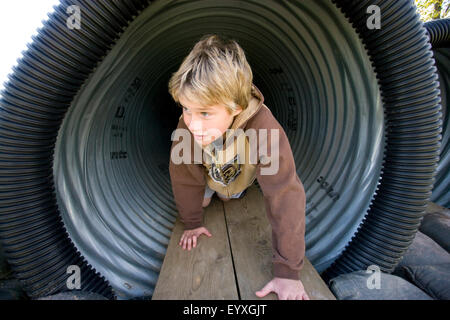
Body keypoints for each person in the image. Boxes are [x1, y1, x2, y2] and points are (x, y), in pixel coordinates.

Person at [168, 34, 309, 300]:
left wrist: (288, 272)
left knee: (230, 195)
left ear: (236, 108)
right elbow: (184, 176)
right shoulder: (186, 125)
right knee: (205, 200)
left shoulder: (264, 128)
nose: (193, 123)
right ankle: (213, 192)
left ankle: (228, 191)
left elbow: (284, 194)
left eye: (205, 113)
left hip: (239, 173)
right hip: (207, 173)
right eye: (186, 108)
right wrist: (192, 222)